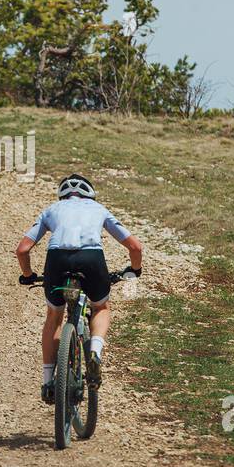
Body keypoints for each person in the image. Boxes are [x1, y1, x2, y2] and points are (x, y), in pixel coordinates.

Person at [15, 173, 143, 404]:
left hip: (57, 259)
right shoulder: (99, 209)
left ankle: (47, 382)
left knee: (54, 315)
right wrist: (134, 270)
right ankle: (94, 350)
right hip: (91, 258)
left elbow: (23, 249)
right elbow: (135, 246)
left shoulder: (51, 209)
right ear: (90, 194)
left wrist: (28, 275)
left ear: (62, 195)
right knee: (101, 307)